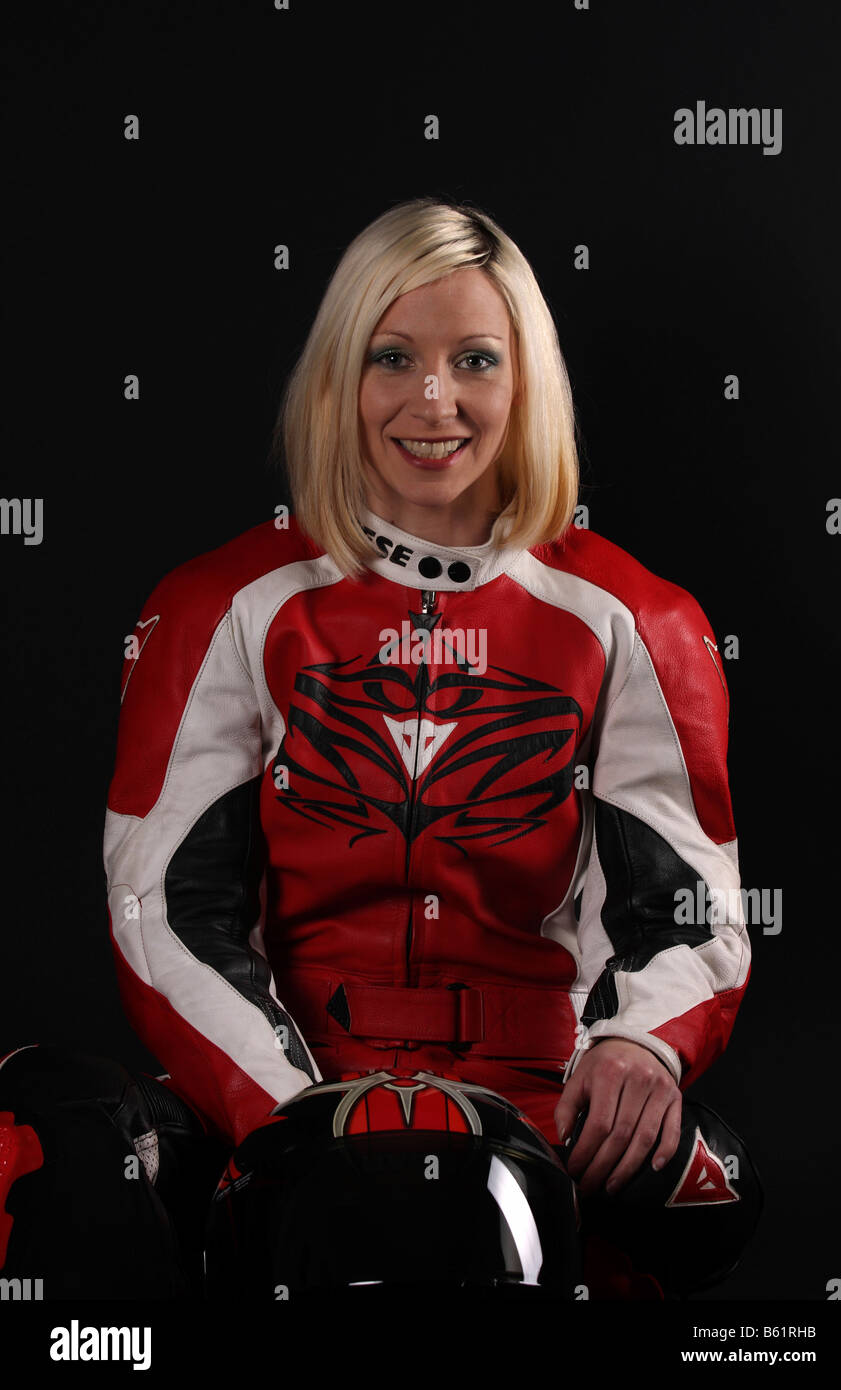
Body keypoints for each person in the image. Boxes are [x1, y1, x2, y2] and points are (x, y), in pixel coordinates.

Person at [0, 198, 752, 1299]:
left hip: (540, 1094)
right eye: (389, 356)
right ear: (336, 379)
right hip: (280, 1086)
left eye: (474, 360)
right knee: (47, 1148)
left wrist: (638, 1047)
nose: (431, 400)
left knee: (712, 1182)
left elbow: (685, 903)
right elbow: (164, 906)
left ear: (525, 381)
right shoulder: (222, 605)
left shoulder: (639, 620)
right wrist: (294, 1117)